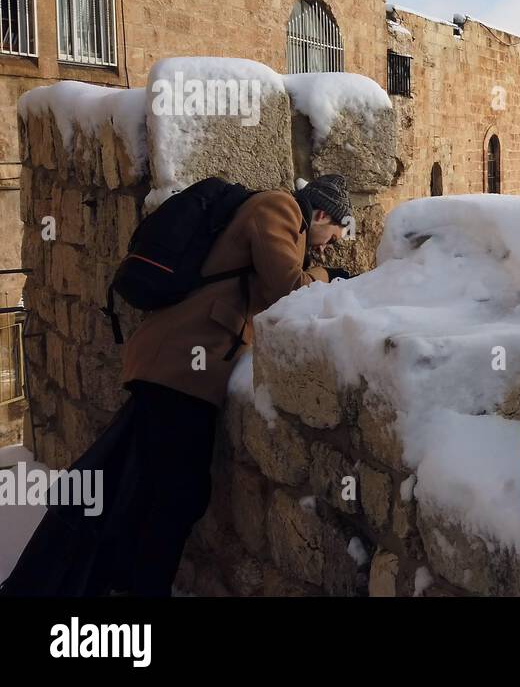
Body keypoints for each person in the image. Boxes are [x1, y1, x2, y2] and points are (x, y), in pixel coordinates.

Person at [0, 175, 354, 597]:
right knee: (175, 493)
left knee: (127, 482)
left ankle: (69, 580)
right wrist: (327, 275)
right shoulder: (278, 208)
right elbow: (289, 289)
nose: (325, 248)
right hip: (179, 370)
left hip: (178, 369)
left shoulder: (285, 219)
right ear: (320, 213)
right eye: (331, 236)